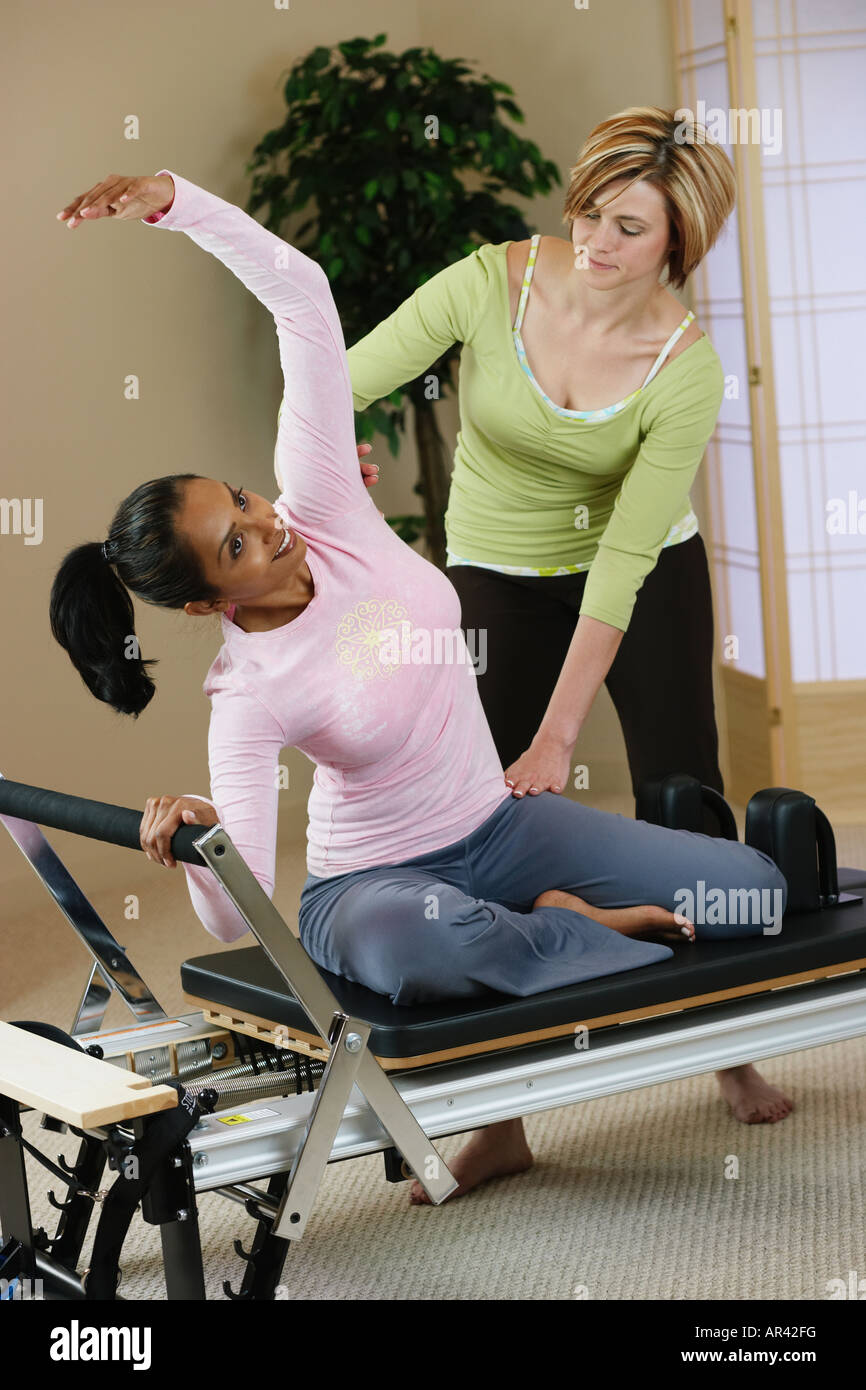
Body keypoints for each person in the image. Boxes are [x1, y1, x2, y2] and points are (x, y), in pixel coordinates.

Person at [50, 166, 786, 1206]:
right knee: (409, 949)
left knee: (745, 892)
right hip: (373, 885)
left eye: (247, 499)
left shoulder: (323, 502)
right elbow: (234, 912)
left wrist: (175, 199)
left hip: (498, 829)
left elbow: (300, 294)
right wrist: (196, 843)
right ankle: (568, 940)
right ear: (208, 604)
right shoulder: (247, 691)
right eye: (240, 542)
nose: (273, 522)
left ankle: (550, 931)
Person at [342, 108, 795, 1170]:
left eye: (628, 228)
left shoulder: (683, 366)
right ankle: (500, 1114)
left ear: (678, 246)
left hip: (635, 576)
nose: (594, 241)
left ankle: (727, 1038)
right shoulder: (487, 282)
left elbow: (621, 567)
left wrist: (560, 738)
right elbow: (341, 376)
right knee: (479, 816)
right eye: (590, 211)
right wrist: (345, 440)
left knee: (684, 789)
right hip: (494, 569)